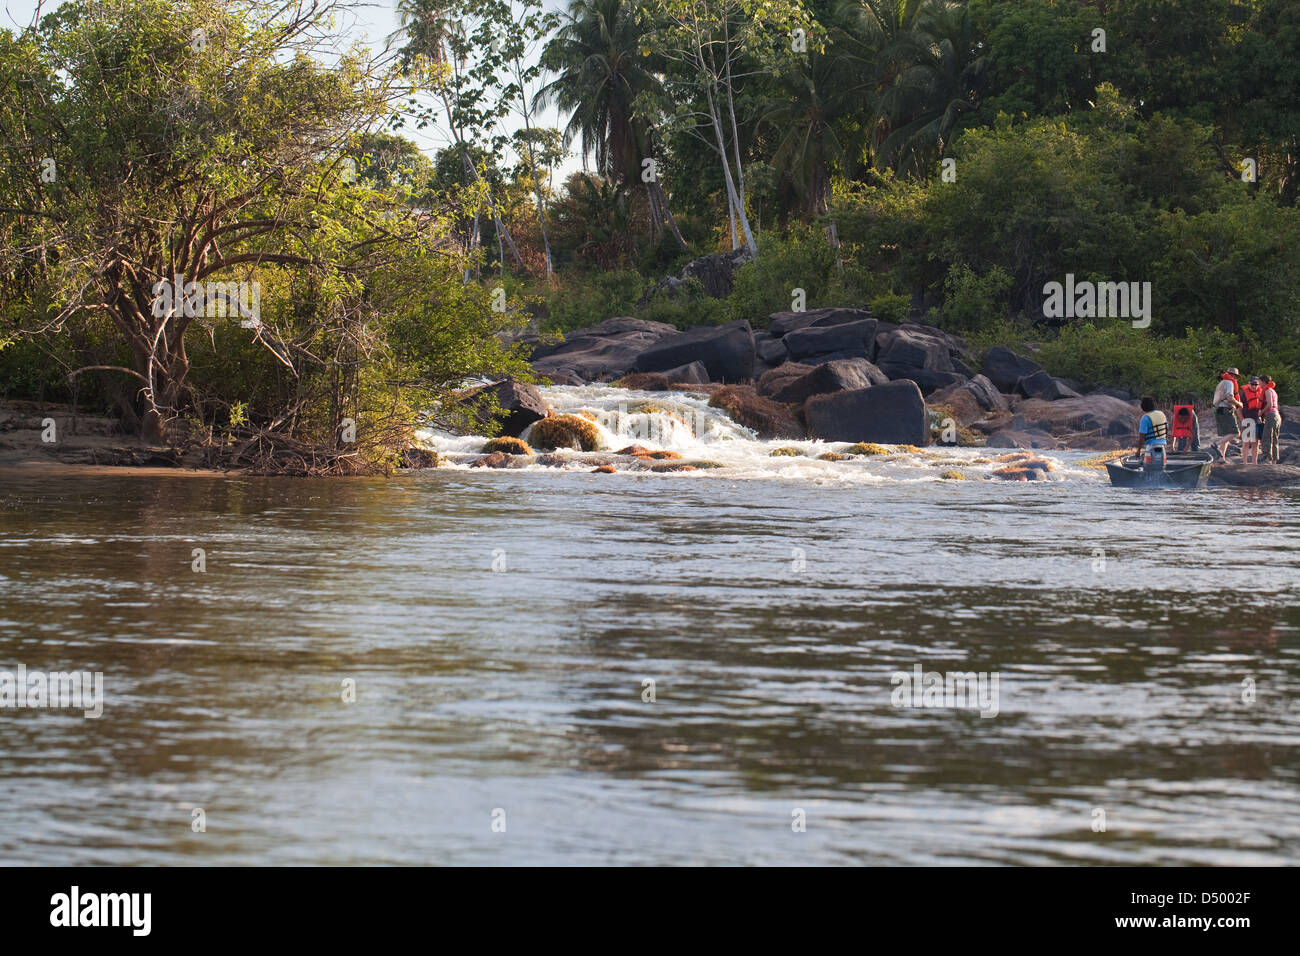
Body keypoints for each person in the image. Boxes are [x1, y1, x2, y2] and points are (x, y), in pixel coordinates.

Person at [1211, 368, 1241, 462]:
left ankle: (1221, 457)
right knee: (1236, 433)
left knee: (1226, 435)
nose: (1235, 378)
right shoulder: (1229, 383)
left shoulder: (1221, 383)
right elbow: (1229, 397)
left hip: (1218, 410)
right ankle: (1216, 444)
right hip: (1225, 410)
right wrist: (1239, 404)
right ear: (1233, 375)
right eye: (1235, 376)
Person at [1136, 396, 1168, 468]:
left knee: (1147, 466)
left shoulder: (1145, 418)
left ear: (1143, 406)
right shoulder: (1162, 414)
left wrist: (1138, 450)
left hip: (1151, 447)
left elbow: (1142, 436)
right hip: (1162, 446)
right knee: (1161, 466)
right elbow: (1166, 428)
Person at [1240, 375, 1264, 464]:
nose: (1254, 386)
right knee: (1246, 442)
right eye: (1252, 384)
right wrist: (1242, 419)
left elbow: (1262, 407)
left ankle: (1254, 462)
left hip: (1257, 420)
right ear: (1249, 384)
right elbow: (1238, 409)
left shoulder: (1261, 393)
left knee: (1256, 443)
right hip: (1247, 420)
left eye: (1256, 384)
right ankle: (1245, 462)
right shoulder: (1243, 394)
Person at [1260, 375, 1282, 464]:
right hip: (1277, 415)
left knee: (1267, 437)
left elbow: (1269, 404)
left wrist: (1261, 412)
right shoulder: (1273, 391)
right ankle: (1274, 460)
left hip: (1271, 415)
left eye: (1259, 381)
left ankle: (1266, 459)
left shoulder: (1268, 390)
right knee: (1274, 438)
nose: (1259, 383)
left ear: (1263, 382)